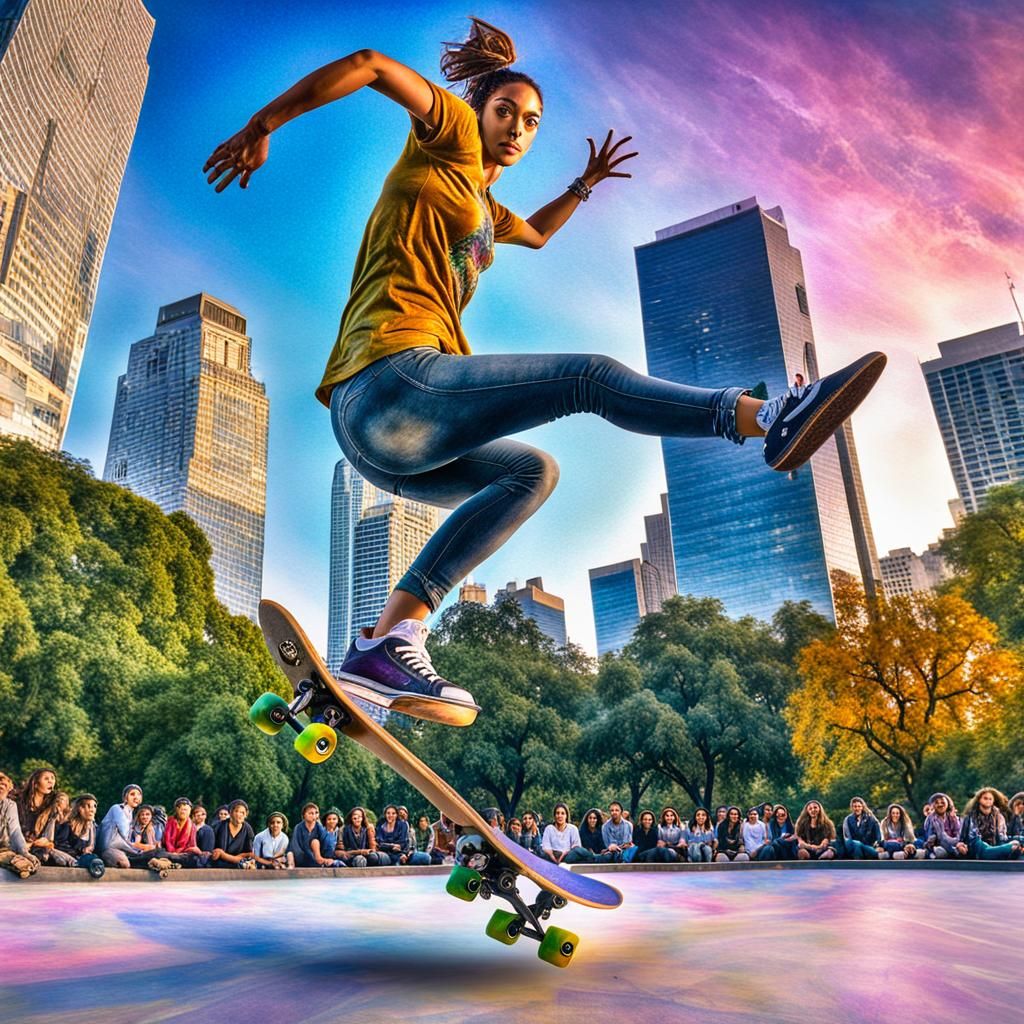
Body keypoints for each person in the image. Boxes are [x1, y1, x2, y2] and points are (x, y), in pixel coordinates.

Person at [203, 17, 885, 724]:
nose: (518, 130)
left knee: (532, 473)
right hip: (392, 378)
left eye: (531, 122)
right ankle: (762, 417)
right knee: (588, 376)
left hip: (391, 445)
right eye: (507, 113)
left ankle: (385, 640)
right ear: (478, 111)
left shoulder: (485, 208)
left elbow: (532, 233)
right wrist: (265, 123)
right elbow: (371, 63)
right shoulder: (449, 138)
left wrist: (583, 185)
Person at [16, 768, 75, 866]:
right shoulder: (19, 804)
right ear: (35, 783)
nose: (50, 781)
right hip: (19, 844)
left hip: (40, 847)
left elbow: (49, 840)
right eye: (46, 778)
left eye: (52, 778)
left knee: (66, 860)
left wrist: (43, 842)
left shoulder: (51, 808)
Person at [956, 787, 1022, 860]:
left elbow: (1002, 838)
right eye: (985, 798)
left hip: (995, 844)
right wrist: (960, 845)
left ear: (993, 801)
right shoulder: (969, 816)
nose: (988, 801)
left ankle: (1006, 851)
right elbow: (962, 837)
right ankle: (1008, 849)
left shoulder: (999, 817)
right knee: (983, 848)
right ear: (979, 800)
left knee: (1016, 842)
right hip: (976, 845)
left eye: (990, 799)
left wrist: (1015, 840)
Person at [0, 771, 40, 878]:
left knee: (24, 862)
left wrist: (24, 852)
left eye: (4, 785)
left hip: (4, 849)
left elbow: (15, 830)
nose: (1, 787)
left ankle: (22, 866)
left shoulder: (10, 805)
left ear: (9, 789)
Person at [54, 793, 104, 875]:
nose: (93, 810)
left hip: (84, 859)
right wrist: (80, 851)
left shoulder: (92, 828)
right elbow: (60, 845)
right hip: (67, 858)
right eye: (89, 806)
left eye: (94, 806)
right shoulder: (68, 825)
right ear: (81, 809)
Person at [98, 783, 144, 869]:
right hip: (109, 847)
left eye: (138, 794)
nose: (136, 797)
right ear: (125, 798)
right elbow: (124, 832)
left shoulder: (131, 814)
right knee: (125, 863)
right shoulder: (117, 808)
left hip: (121, 847)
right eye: (132, 794)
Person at [211, 799, 256, 869]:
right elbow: (215, 853)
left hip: (240, 861)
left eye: (242, 812)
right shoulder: (219, 826)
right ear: (230, 813)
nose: (239, 815)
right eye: (236, 811)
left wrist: (224, 855)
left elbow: (249, 853)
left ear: (246, 815)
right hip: (220, 862)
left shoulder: (247, 829)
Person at [922, 792, 963, 859]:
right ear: (933, 805)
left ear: (948, 803)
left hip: (956, 845)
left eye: (942, 802)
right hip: (939, 846)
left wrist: (959, 844)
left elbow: (959, 835)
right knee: (940, 852)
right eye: (936, 803)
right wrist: (955, 848)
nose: (940, 804)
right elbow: (940, 838)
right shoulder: (931, 819)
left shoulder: (955, 818)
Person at [290, 803, 330, 868]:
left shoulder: (320, 828)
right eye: (311, 813)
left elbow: (326, 844)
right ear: (304, 815)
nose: (314, 815)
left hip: (318, 857)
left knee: (315, 841)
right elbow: (295, 846)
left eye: (316, 813)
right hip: (302, 857)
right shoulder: (298, 827)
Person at [161, 797, 198, 867]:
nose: (183, 812)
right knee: (162, 854)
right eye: (181, 809)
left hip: (184, 852)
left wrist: (179, 853)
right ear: (177, 810)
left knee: (193, 857)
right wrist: (173, 852)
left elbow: (191, 844)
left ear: (189, 811)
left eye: (186, 810)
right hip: (169, 851)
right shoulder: (170, 821)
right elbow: (167, 840)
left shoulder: (192, 826)